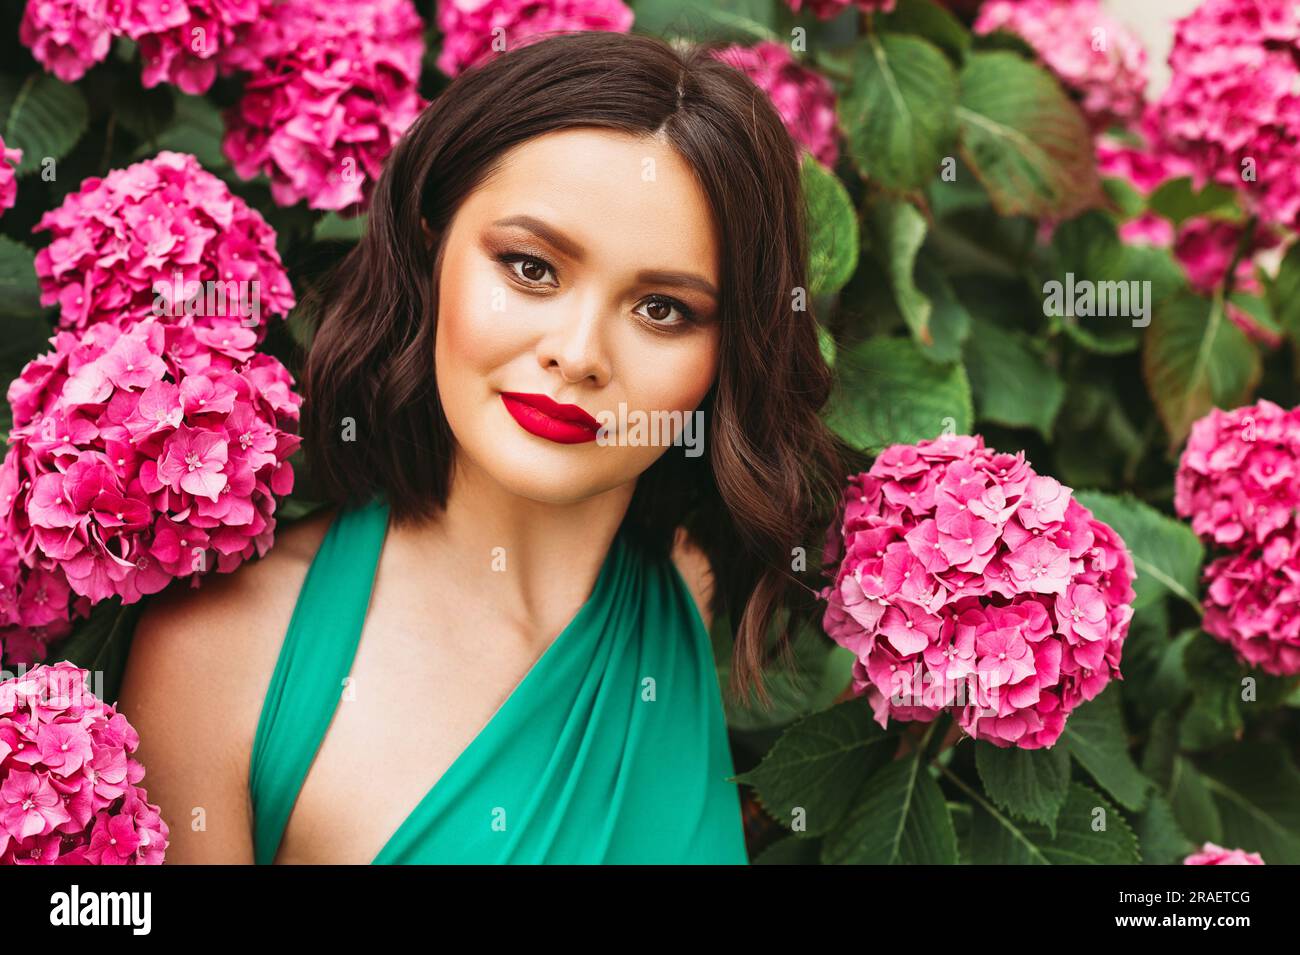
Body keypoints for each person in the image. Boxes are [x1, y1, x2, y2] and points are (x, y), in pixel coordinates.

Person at [116, 29, 849, 864]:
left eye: (663, 310)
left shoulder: (693, 583)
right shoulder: (221, 651)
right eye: (531, 268)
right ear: (430, 247)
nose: (578, 354)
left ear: (728, 354)